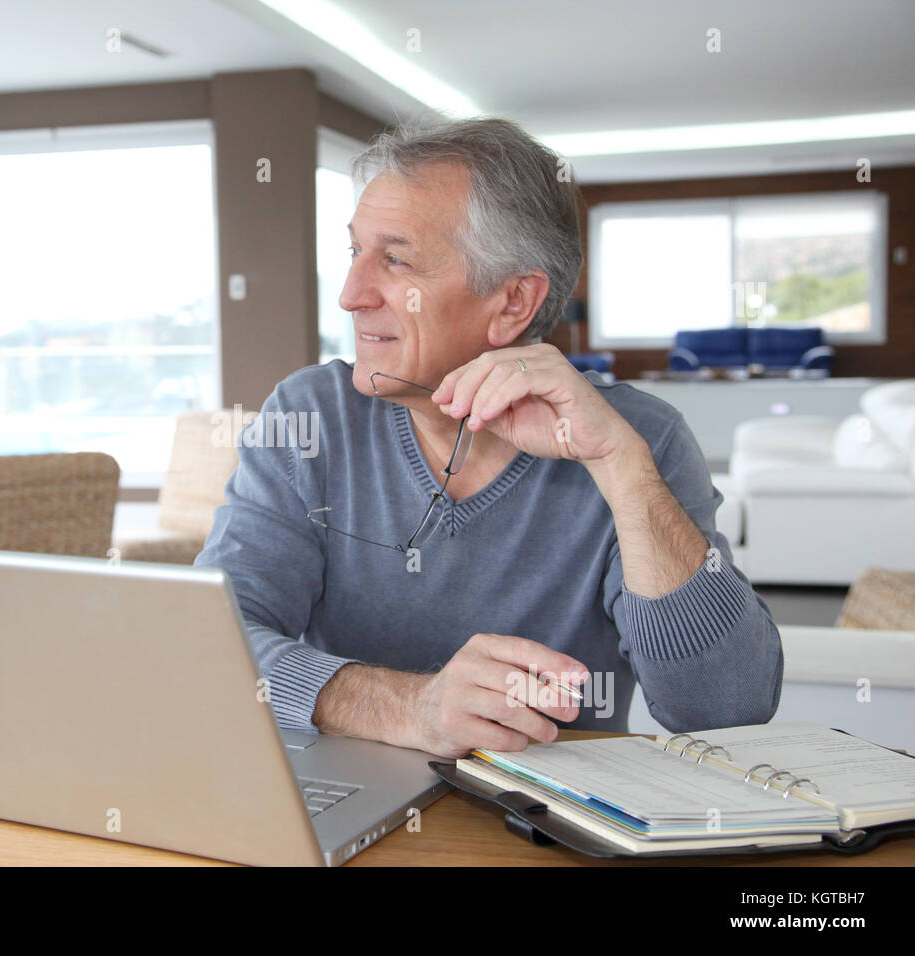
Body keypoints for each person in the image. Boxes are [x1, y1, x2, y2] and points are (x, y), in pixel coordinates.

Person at [193, 117, 782, 757]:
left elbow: (728, 707)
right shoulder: (308, 417)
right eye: (355, 252)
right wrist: (409, 708)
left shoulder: (637, 440)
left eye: (395, 259)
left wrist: (620, 467)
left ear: (511, 303)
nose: (350, 294)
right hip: (339, 810)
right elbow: (207, 644)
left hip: (546, 829)